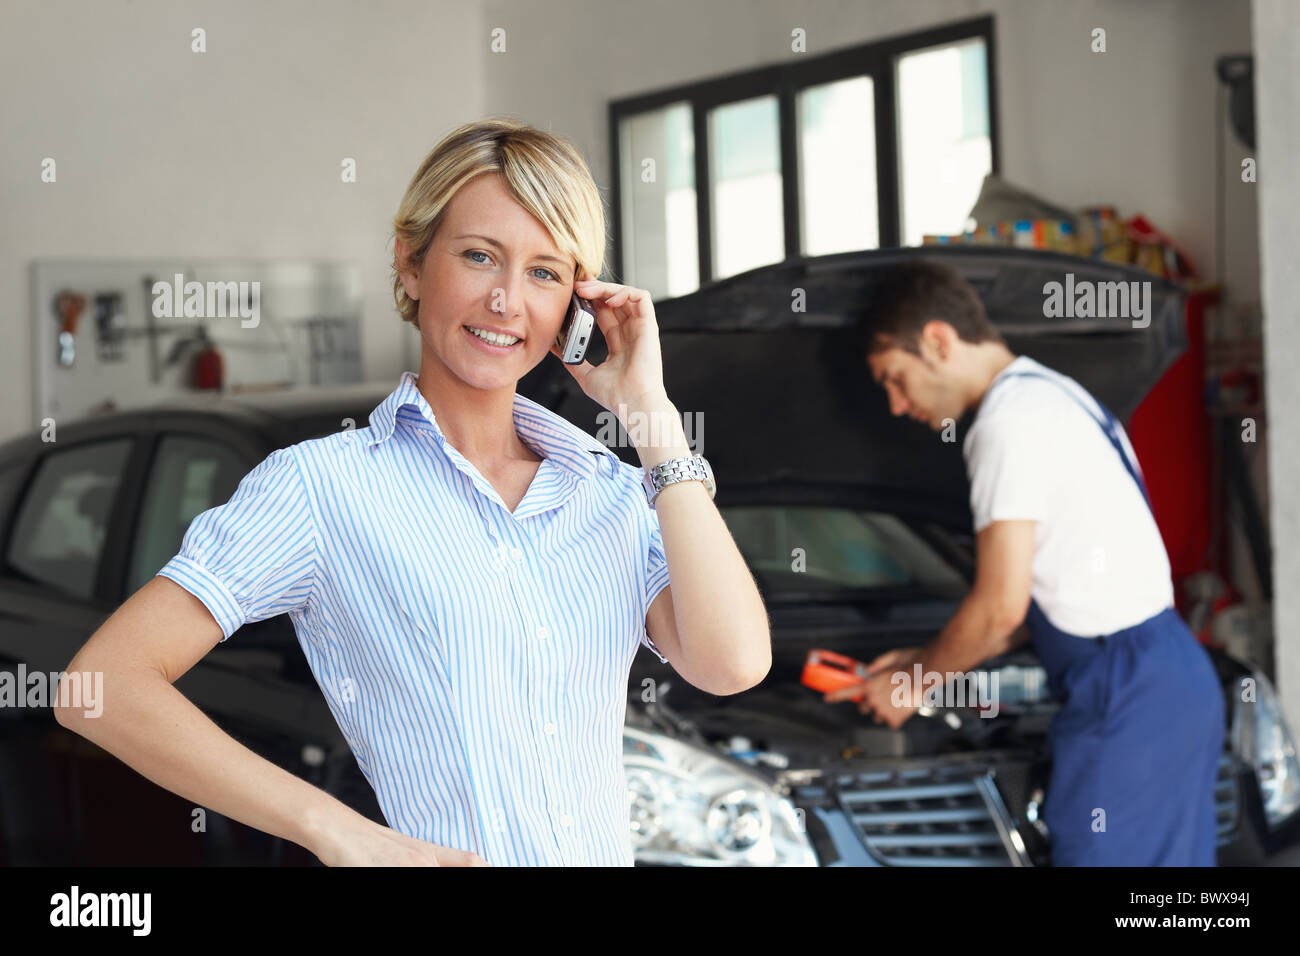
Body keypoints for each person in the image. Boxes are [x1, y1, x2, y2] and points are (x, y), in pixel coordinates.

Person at [54, 118, 771, 867]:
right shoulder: (321, 488)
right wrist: (334, 829)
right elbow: (100, 687)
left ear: (577, 307)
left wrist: (649, 412)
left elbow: (733, 665)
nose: (506, 301)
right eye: (479, 256)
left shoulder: (613, 493)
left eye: (544, 272)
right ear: (411, 263)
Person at [827, 257, 1223, 866]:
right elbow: (1021, 612)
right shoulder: (1050, 393)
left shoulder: (1006, 426)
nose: (897, 405)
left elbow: (999, 606)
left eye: (894, 378)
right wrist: (918, 659)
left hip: (1125, 690)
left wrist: (915, 685)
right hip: (1168, 675)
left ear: (937, 340)